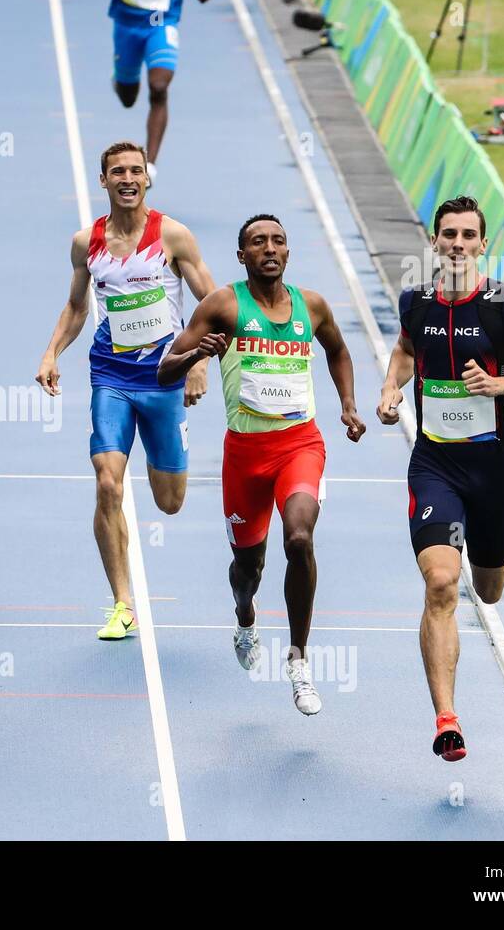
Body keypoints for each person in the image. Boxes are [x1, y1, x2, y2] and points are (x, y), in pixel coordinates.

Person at [377, 195, 504, 760]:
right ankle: (447, 719)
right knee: (440, 583)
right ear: (435, 241)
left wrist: (498, 387)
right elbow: (406, 351)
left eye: (467, 236)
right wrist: (391, 389)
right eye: (448, 234)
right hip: (435, 464)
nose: (457, 244)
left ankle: (493, 540)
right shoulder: (416, 302)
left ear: (483, 244)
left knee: (488, 589)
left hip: (492, 469)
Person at [159, 214, 366, 714]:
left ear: (288, 252)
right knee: (247, 567)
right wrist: (196, 356)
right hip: (245, 457)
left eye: (277, 241)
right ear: (242, 255)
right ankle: (245, 615)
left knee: (299, 537)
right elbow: (166, 369)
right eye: (257, 242)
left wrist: (347, 405)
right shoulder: (224, 305)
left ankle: (297, 658)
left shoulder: (311, 306)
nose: (268, 248)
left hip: (300, 445)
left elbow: (338, 350)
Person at [37, 141, 215, 641]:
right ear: (104, 181)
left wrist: (198, 359)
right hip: (110, 375)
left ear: (147, 178)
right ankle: (122, 602)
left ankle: (170, 452)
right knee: (108, 482)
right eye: (118, 171)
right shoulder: (85, 242)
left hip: (163, 379)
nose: (128, 178)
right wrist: (52, 352)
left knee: (170, 501)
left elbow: (214, 302)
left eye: (136, 170)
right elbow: (76, 307)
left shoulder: (173, 236)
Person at [97, 0, 213, 183]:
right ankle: (120, 78)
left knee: (159, 87)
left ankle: (150, 164)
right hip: (128, 23)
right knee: (128, 98)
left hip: (161, 21)